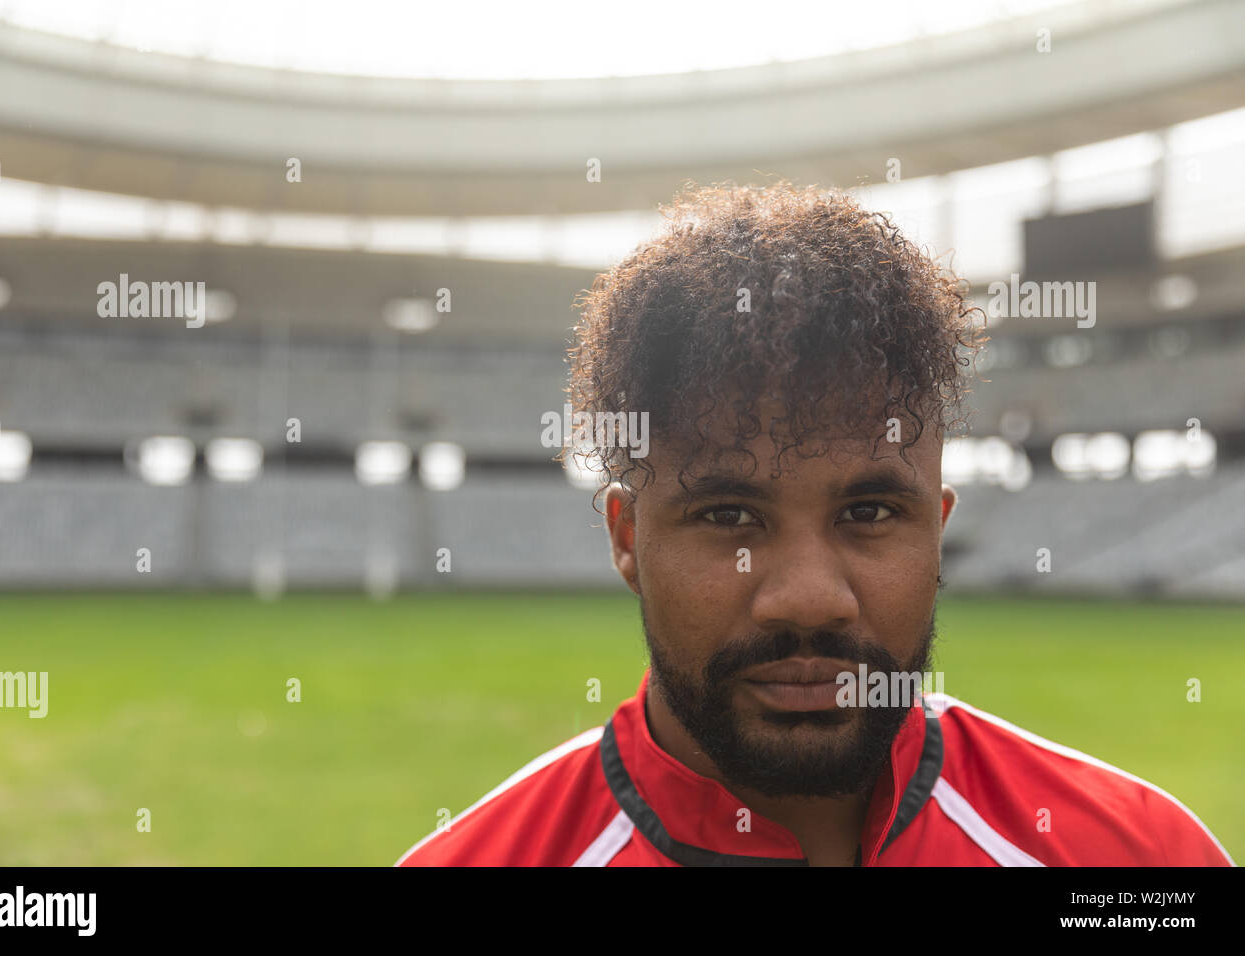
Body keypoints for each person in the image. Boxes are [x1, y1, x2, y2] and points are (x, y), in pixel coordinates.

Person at [397, 182, 1233, 866]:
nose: (808, 599)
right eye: (729, 515)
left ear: (937, 532)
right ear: (626, 537)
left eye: (869, 513)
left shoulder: (1138, 865)